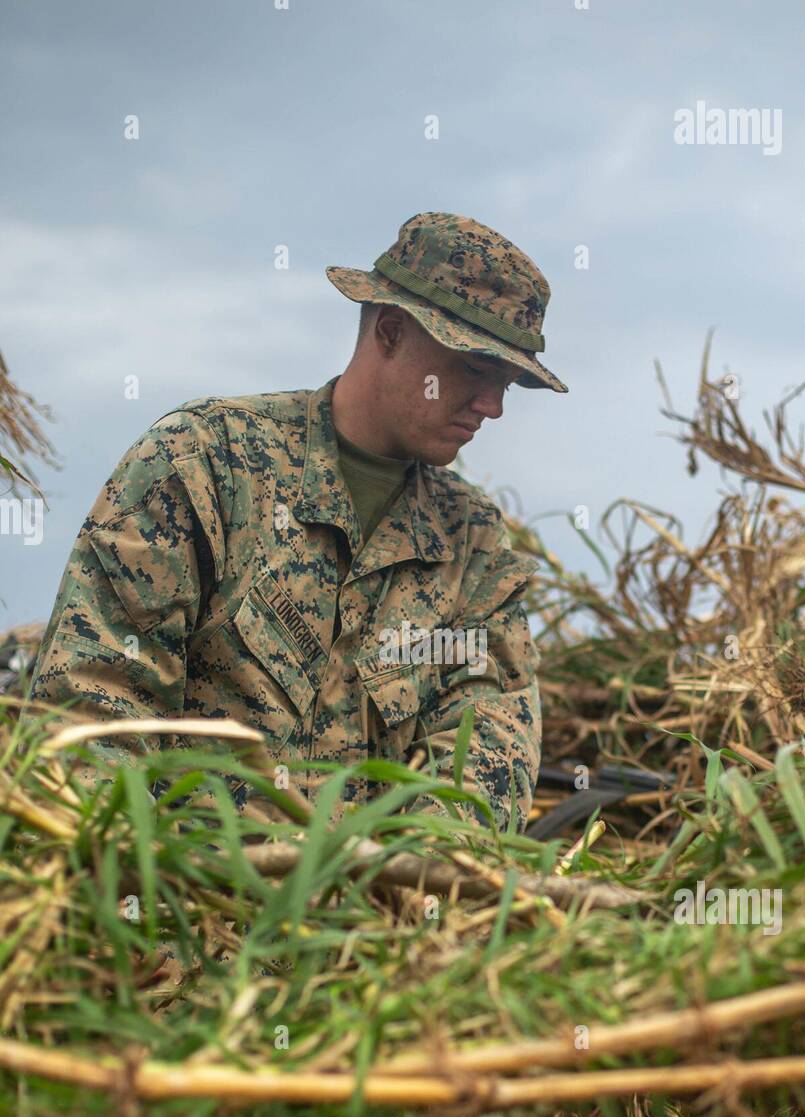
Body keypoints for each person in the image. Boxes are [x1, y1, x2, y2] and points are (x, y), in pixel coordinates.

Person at [29, 212, 568, 831]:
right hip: (180, 902)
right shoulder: (206, 464)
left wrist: (411, 900)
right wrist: (151, 889)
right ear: (390, 332)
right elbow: (94, 703)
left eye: (508, 382)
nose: (493, 406)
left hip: (376, 918)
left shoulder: (473, 546)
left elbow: (486, 756)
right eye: (476, 369)